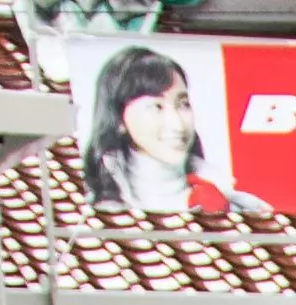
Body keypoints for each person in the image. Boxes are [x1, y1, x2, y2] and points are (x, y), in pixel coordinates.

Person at [79, 46, 228, 217]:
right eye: (157, 106)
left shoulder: (230, 199)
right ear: (119, 119)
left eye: (183, 104)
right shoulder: (93, 210)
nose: (177, 124)